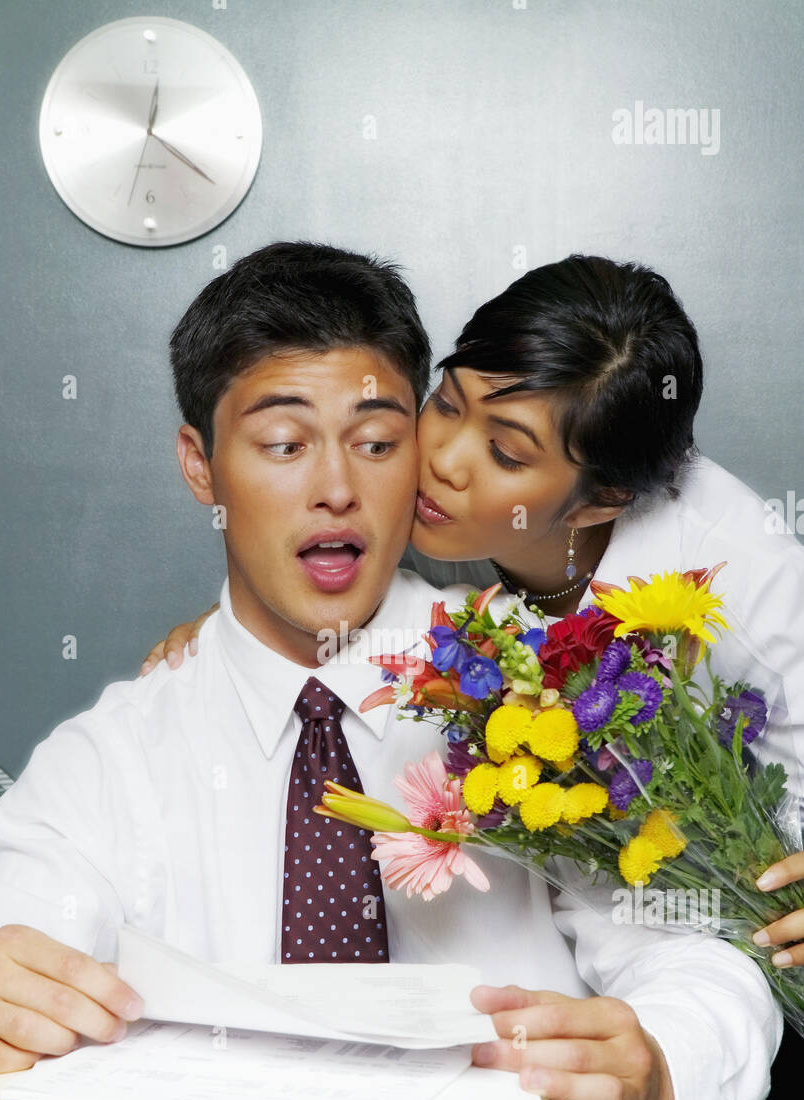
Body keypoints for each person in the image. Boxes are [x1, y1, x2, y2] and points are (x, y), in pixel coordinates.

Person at [0, 244, 782, 1100]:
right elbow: (2, 929)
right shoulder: (110, 754)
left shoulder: (547, 696)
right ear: (200, 467)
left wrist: (661, 1055)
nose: (337, 488)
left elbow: (697, 955)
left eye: (377, 444)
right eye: (283, 445)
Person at [148, 255, 804, 976]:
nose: (442, 460)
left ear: (599, 500)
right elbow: (305, 571)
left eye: (503, 452)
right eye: (449, 404)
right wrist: (226, 635)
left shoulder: (750, 580)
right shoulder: (428, 506)